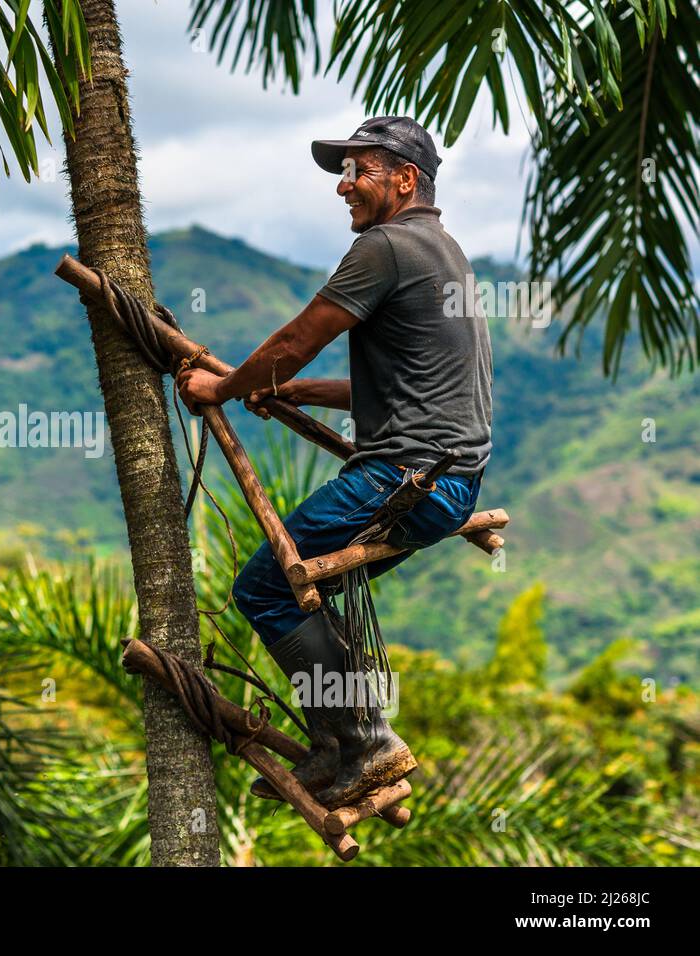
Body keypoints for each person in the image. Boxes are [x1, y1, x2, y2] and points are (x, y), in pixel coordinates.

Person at [176, 116, 493, 808]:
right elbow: (395, 384)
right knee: (307, 594)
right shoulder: (446, 253)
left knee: (264, 587)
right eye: (342, 173)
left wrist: (222, 388)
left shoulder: (386, 247)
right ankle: (338, 744)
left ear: (405, 180)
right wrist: (286, 390)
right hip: (450, 486)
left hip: (399, 479)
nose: (344, 187)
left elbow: (299, 336)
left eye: (359, 172)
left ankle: (364, 739)